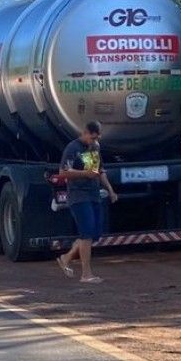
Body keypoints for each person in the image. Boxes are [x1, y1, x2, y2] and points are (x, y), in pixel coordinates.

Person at [56, 120, 117, 283]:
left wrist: (110, 190)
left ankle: (66, 258)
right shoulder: (73, 148)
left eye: (97, 138)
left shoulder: (95, 147)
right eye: (92, 137)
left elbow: (99, 171)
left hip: (93, 194)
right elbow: (63, 172)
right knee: (87, 233)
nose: (94, 141)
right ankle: (86, 274)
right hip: (78, 195)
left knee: (94, 233)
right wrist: (84, 174)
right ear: (84, 133)